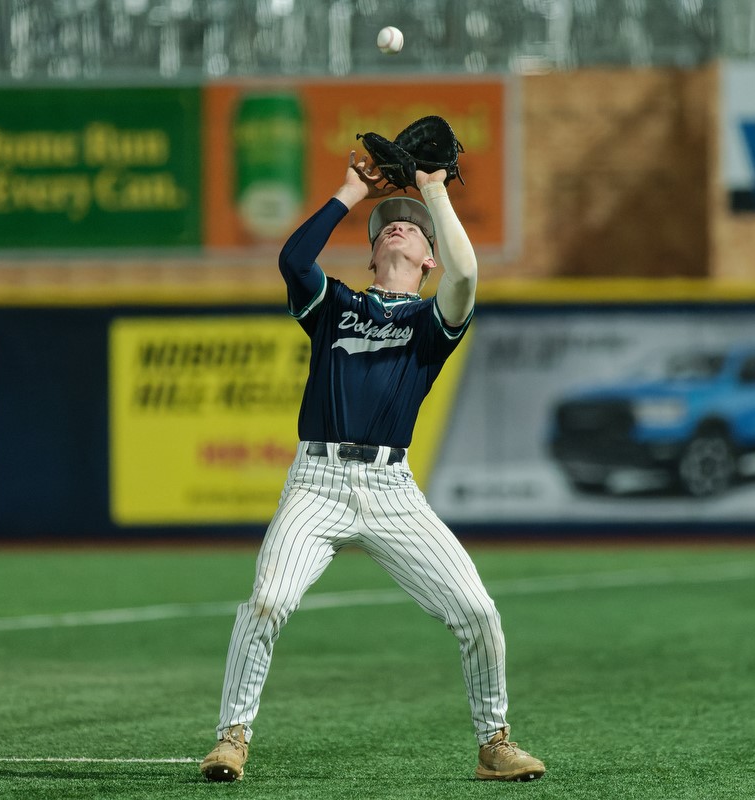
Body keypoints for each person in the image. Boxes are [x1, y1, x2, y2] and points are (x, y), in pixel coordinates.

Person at [200, 150, 545, 783]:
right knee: (268, 602)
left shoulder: (430, 322)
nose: (399, 226)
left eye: (412, 227)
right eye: (389, 224)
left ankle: (494, 743)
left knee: (477, 612)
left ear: (428, 258)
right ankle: (231, 738)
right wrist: (349, 191)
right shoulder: (336, 304)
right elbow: (293, 261)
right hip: (317, 482)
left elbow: (467, 274)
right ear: (371, 252)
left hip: (391, 489)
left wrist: (433, 192)